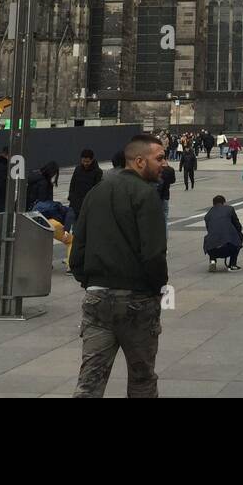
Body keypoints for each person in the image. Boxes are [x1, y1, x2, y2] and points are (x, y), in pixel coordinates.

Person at [69, 134, 168, 398]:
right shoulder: (146, 195)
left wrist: (90, 281)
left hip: (97, 298)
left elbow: (77, 251)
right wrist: (157, 288)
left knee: (90, 380)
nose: (164, 164)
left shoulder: (95, 192)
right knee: (142, 378)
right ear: (138, 161)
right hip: (137, 300)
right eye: (159, 158)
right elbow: (154, 253)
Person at [204, 194, 243, 272]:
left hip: (212, 249)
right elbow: (237, 226)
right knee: (239, 235)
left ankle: (212, 260)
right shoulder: (230, 209)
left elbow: (209, 230)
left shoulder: (208, 215)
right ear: (224, 202)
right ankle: (232, 264)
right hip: (228, 247)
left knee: (209, 237)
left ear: (213, 204)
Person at [67, 150, 102, 231]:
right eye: (83, 161)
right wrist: (71, 197)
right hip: (76, 204)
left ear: (92, 160)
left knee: (87, 228)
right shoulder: (78, 169)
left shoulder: (97, 172)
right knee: (76, 228)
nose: (85, 163)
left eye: (88, 161)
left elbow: (97, 190)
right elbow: (72, 184)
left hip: (88, 205)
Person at [156, 154, 176, 227]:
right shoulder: (170, 170)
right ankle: (165, 236)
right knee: (165, 217)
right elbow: (173, 181)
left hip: (157, 197)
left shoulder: (157, 169)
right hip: (166, 196)